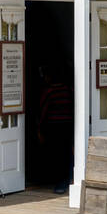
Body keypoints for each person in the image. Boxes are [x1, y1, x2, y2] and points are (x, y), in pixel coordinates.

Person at [37, 63, 74, 194]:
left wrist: (39, 129)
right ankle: (67, 179)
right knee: (66, 153)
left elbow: (43, 111)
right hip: (68, 125)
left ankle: (58, 181)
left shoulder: (49, 92)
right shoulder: (68, 90)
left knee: (55, 153)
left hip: (53, 126)